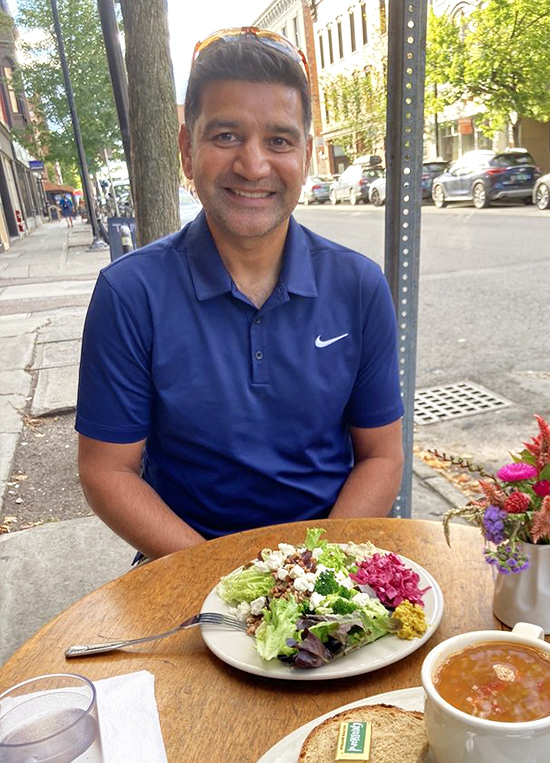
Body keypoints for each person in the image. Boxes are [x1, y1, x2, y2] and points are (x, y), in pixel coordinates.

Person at [75, 27, 405, 561]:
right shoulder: (130, 292)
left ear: (306, 154)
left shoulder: (359, 286)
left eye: (279, 140)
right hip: (184, 561)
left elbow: (382, 457)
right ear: (187, 150)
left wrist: (316, 567)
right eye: (226, 136)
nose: (253, 166)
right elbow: (106, 471)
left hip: (329, 559)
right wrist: (227, 582)